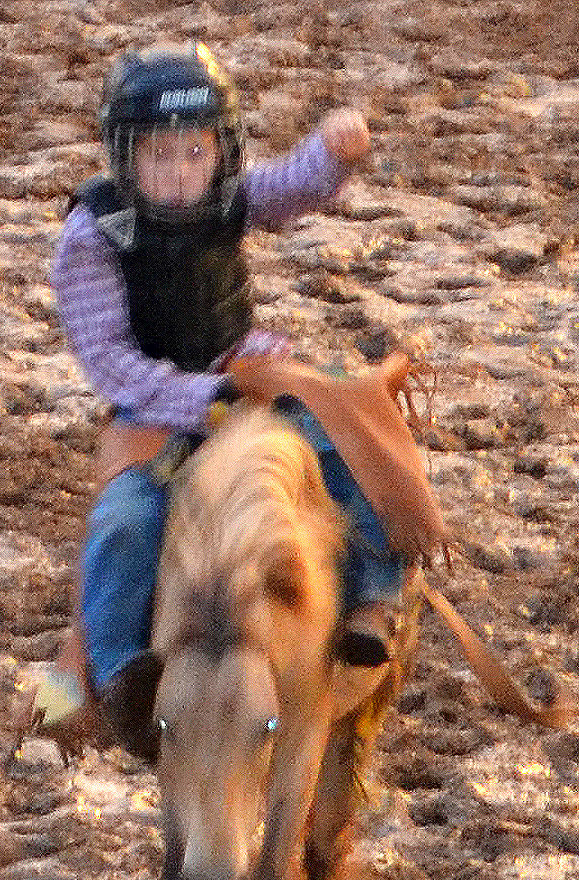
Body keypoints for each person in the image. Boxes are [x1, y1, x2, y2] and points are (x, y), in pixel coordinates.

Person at [38, 43, 441, 758]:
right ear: (122, 159)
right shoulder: (91, 238)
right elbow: (110, 362)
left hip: (246, 371)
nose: (179, 173)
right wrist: (205, 395)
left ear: (220, 152)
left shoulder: (232, 196)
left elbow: (292, 186)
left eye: (195, 153)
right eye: (157, 156)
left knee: (345, 441)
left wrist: (334, 151)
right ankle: (122, 675)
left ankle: (374, 599)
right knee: (123, 522)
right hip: (153, 408)